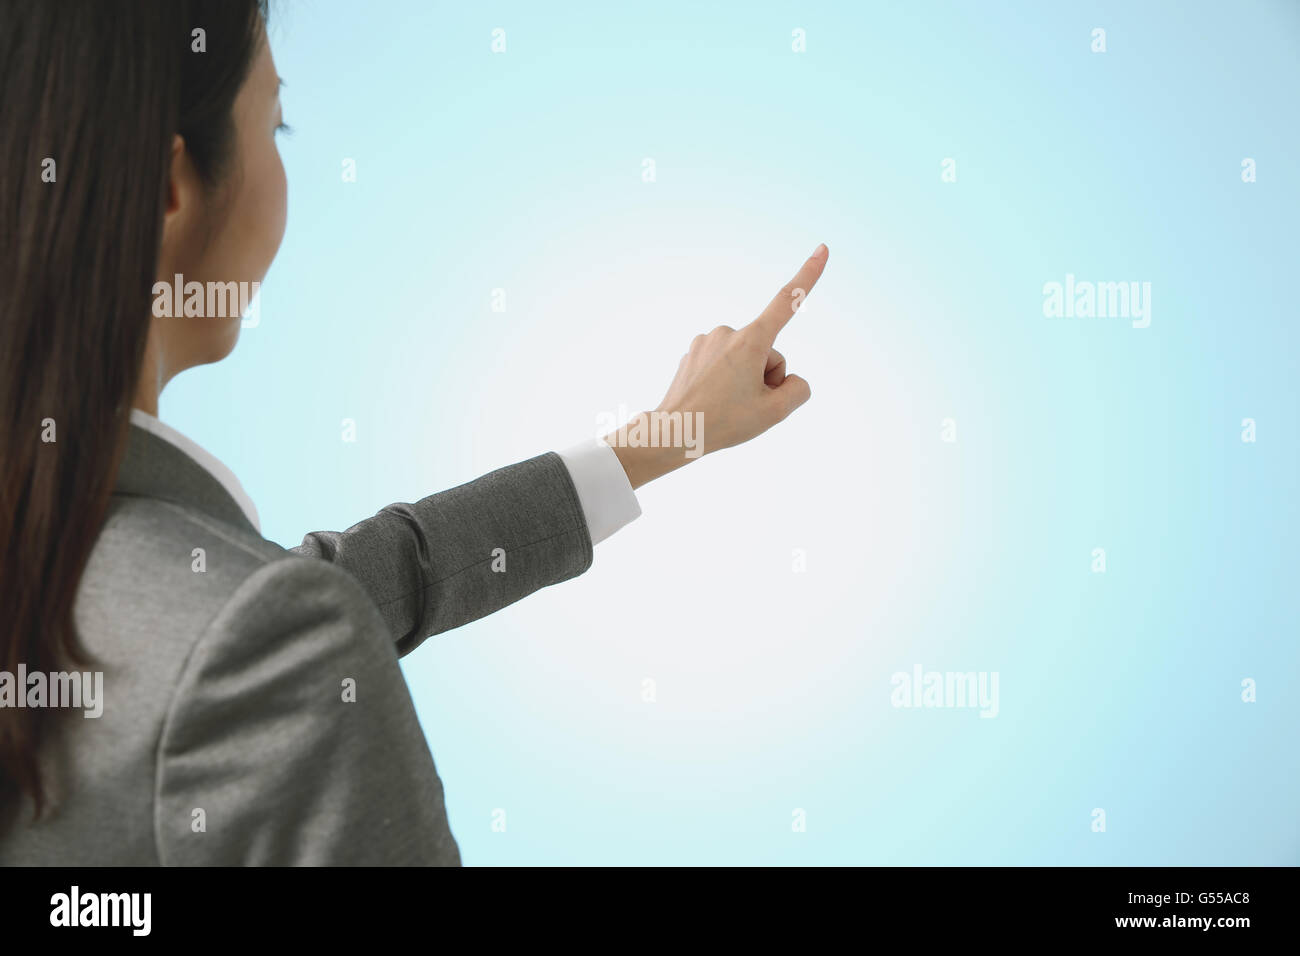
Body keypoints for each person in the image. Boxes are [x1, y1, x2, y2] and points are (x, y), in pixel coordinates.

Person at [0, 0, 827, 864]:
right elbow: (264, 626)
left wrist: (660, 440)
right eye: (275, 125)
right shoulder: (249, 643)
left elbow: (359, 579)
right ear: (168, 192)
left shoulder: (120, 577)